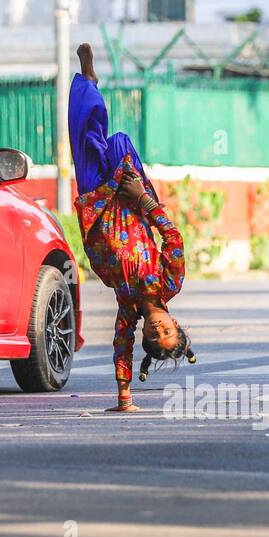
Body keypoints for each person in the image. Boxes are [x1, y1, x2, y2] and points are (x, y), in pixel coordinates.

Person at [70, 43, 193, 413]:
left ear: (144, 334)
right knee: (118, 142)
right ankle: (94, 94)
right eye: (168, 331)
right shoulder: (170, 282)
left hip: (96, 207)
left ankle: (88, 81)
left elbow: (120, 348)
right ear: (174, 322)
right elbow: (172, 236)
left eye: (154, 337)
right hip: (128, 198)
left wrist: (125, 398)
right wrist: (143, 199)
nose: (159, 331)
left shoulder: (127, 309)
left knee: (84, 137)